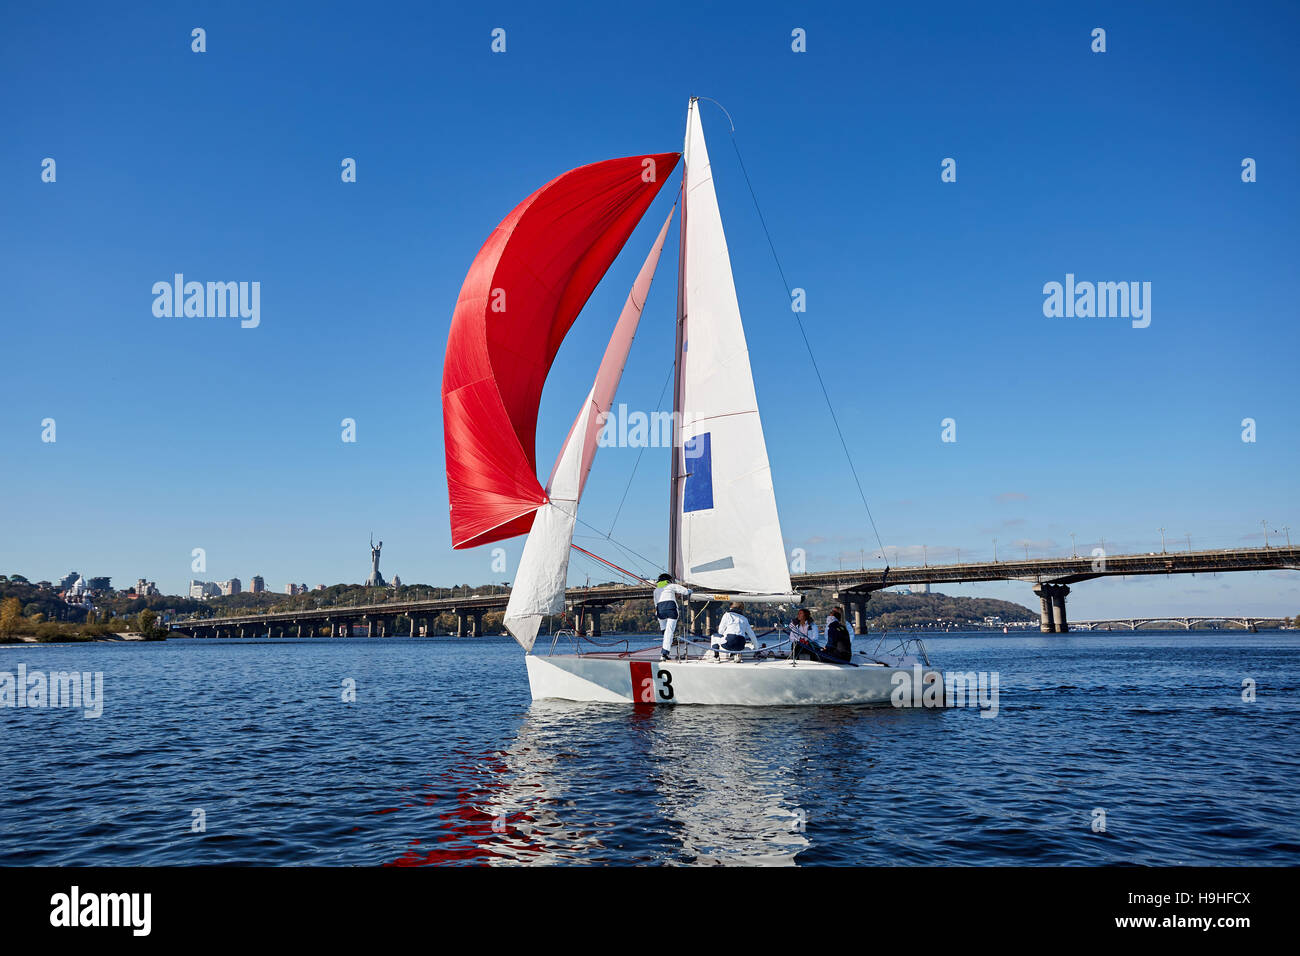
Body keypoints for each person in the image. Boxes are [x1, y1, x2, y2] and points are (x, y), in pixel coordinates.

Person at [653, 573, 692, 660]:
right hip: (671, 609)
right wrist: (690, 591)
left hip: (660, 611)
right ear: (669, 580)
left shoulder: (655, 590)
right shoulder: (671, 586)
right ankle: (664, 653)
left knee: (664, 630)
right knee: (669, 631)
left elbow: (656, 604)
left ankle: (666, 636)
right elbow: (685, 591)